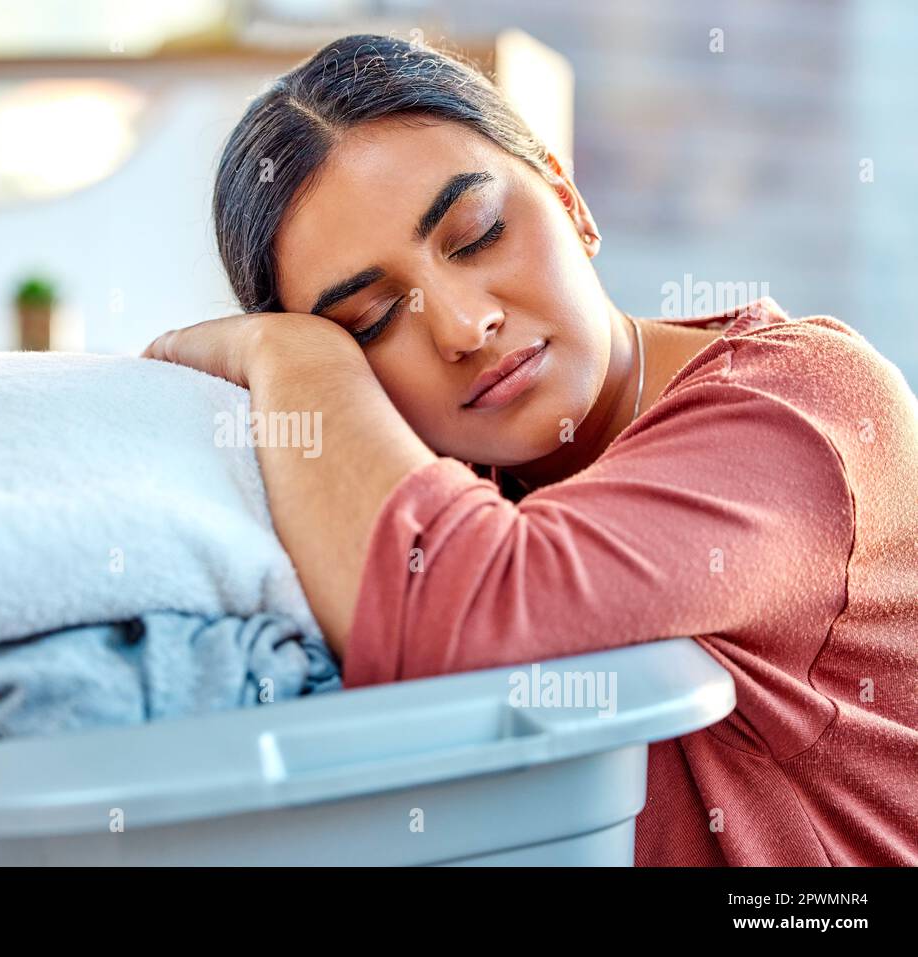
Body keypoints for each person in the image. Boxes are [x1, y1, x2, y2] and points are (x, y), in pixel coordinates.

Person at [142, 34, 918, 866]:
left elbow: (470, 623)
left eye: (476, 234)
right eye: (370, 320)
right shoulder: (446, 472)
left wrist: (295, 356)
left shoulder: (803, 404)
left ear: (569, 199)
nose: (462, 324)